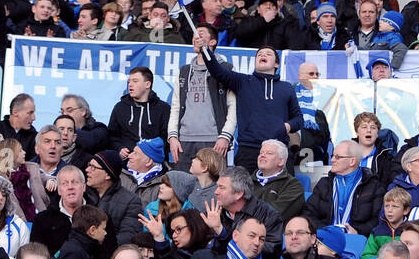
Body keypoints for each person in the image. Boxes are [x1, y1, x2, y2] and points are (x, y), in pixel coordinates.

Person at [195, 42, 299, 172]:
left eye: (268, 54)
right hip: (248, 150)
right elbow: (217, 71)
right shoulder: (242, 81)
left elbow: (298, 118)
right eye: (259, 54)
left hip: (278, 149)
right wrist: (205, 50)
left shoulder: (287, 87)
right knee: (243, 190)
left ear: (276, 64)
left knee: (282, 190)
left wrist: (287, 126)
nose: (263, 55)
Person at [167, 25, 236, 169]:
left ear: (212, 42)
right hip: (184, 141)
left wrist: (225, 136)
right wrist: (173, 137)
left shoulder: (227, 70)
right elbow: (175, 107)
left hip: (214, 140)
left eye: (201, 34)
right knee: (182, 188)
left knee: (213, 189)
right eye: (194, 34)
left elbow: (233, 107)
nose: (195, 37)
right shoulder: (184, 71)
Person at [301, 139, 383, 236]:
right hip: (325, 238)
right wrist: (326, 230)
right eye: (332, 156)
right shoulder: (324, 184)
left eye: (337, 157)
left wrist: (358, 231)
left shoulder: (373, 186)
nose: (332, 160)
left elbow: (378, 219)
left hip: (356, 240)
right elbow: (308, 213)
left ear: (352, 161)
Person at [85, 150, 144, 247]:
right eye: (89, 165)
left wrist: (99, 247)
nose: (87, 170)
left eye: (93, 167)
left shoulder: (131, 201)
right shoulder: (82, 193)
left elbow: (129, 235)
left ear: (108, 175)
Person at [107, 67, 169, 155]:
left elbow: (167, 138)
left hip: (154, 162)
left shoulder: (163, 108)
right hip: (126, 162)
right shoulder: (120, 107)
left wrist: (148, 152)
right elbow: (112, 136)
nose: (130, 85)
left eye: (135, 81)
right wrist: (119, 148)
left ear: (147, 84)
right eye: (129, 81)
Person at [251, 139, 305, 220]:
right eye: (261, 153)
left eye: (269, 153)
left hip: (274, 231)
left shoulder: (293, 185)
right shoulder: (246, 182)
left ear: (281, 161)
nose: (262, 155)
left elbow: (276, 214)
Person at [0, 93, 38, 158]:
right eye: (30, 113)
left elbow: (33, 164)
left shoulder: (34, 137)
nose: (34, 118)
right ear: (15, 112)